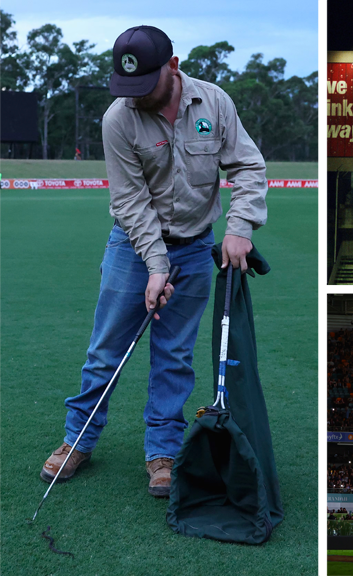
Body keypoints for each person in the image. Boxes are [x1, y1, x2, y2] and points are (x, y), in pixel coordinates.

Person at [40, 25, 266, 498]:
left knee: (174, 357)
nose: (135, 97)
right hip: (132, 246)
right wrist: (157, 264)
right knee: (107, 350)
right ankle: (77, 438)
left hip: (196, 245)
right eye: (127, 88)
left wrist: (240, 228)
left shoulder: (215, 103)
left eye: (144, 85)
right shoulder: (117, 119)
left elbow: (247, 166)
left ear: (173, 67)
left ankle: (161, 453)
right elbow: (129, 201)